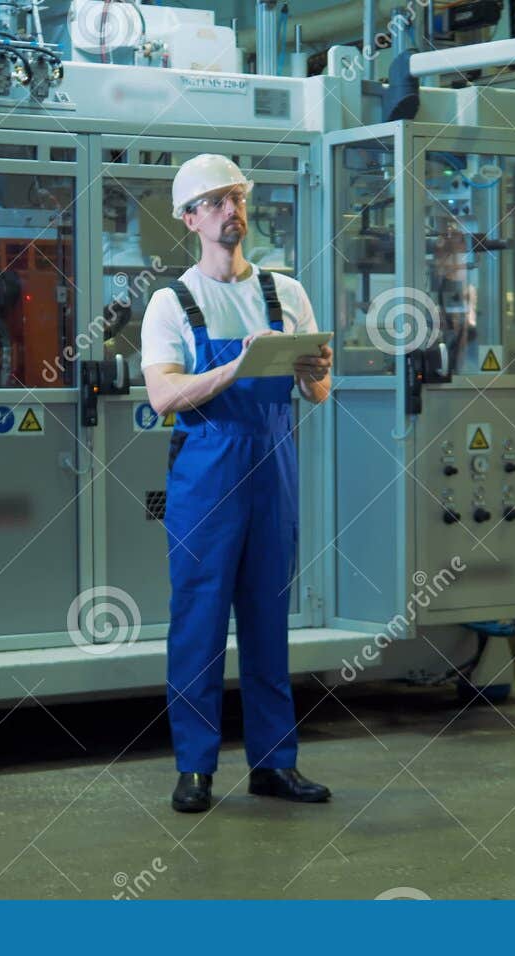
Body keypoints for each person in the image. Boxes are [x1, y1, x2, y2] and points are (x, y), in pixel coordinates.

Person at [140, 154, 333, 814]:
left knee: (268, 620)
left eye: (238, 198)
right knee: (198, 621)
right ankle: (194, 768)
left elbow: (319, 394)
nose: (232, 211)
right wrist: (239, 367)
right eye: (217, 201)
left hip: (274, 469)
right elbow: (163, 396)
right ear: (190, 219)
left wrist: (313, 369)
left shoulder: (287, 293)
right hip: (206, 475)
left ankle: (274, 763)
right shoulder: (173, 301)